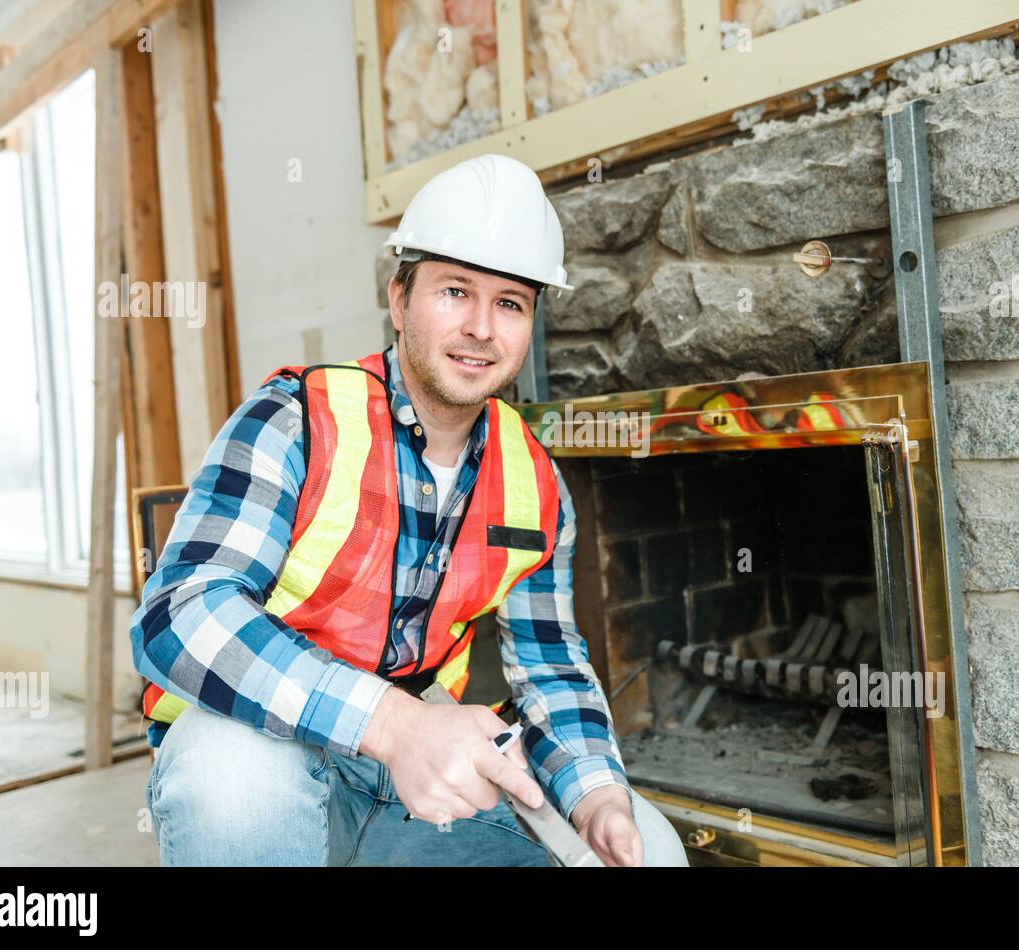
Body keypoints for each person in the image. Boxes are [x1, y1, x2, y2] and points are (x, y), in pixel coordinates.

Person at [129, 153, 687, 867]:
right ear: (399, 300)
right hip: (273, 748)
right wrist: (394, 725)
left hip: (416, 779)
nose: (482, 327)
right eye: (455, 291)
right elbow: (182, 614)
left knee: (653, 851)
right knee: (229, 780)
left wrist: (596, 794)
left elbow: (550, 667)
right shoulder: (297, 421)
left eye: (510, 303)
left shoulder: (535, 481)